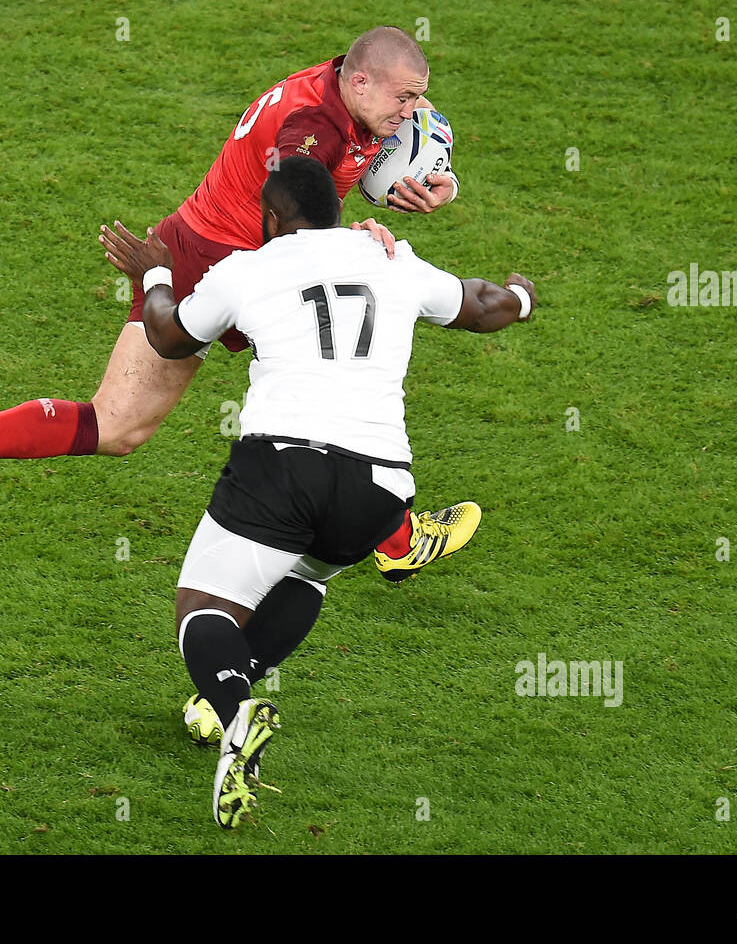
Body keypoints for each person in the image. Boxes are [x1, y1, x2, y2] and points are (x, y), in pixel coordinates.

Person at [0, 26, 479, 584]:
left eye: (412, 100)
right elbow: (294, 217)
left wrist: (440, 171)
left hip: (201, 245)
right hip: (234, 264)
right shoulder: (310, 129)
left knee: (122, 423)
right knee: (332, 378)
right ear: (362, 81)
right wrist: (351, 242)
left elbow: (420, 115)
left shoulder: (349, 80)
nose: (409, 113)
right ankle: (395, 542)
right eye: (402, 100)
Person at [99, 156, 540, 828]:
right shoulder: (389, 256)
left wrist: (154, 272)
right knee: (309, 573)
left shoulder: (249, 269)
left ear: (271, 218)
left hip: (285, 465)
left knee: (202, 608)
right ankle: (232, 692)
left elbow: (167, 333)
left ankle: (234, 710)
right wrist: (523, 295)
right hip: (379, 488)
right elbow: (482, 307)